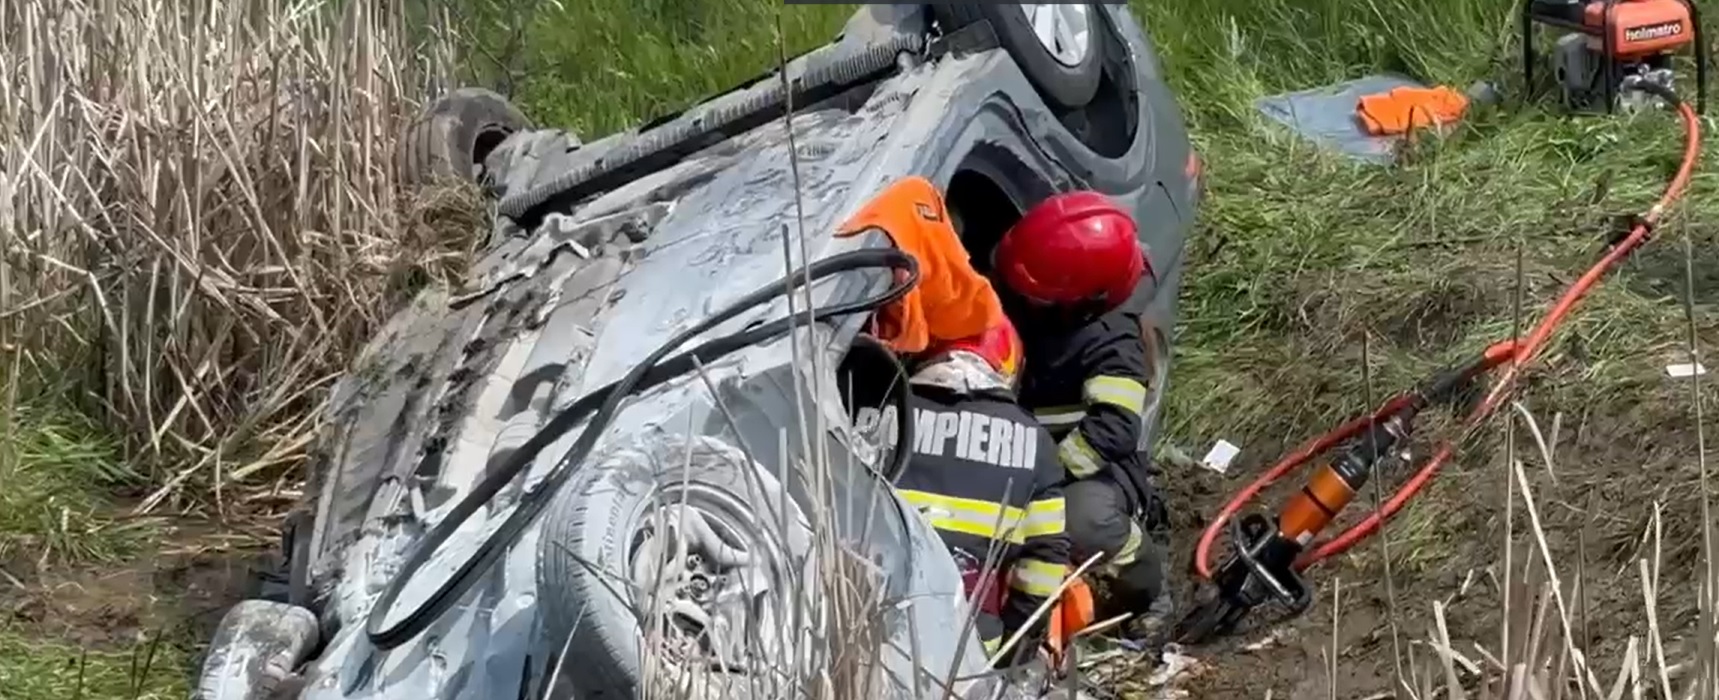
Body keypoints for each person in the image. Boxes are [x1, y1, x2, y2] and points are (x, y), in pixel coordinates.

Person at [988, 190, 1174, 638]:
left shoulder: (1115, 346)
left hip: (1083, 470)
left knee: (1084, 520)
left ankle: (1150, 591)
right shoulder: (1036, 285)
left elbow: (1113, 431)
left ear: (1077, 302)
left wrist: (1045, 477)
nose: (1015, 296)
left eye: (1032, 296)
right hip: (1023, 447)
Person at [848, 318, 1071, 662]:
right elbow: (1044, 564)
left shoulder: (877, 413)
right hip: (972, 643)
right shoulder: (1036, 443)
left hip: (865, 627)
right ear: (1008, 364)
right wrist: (1018, 644)